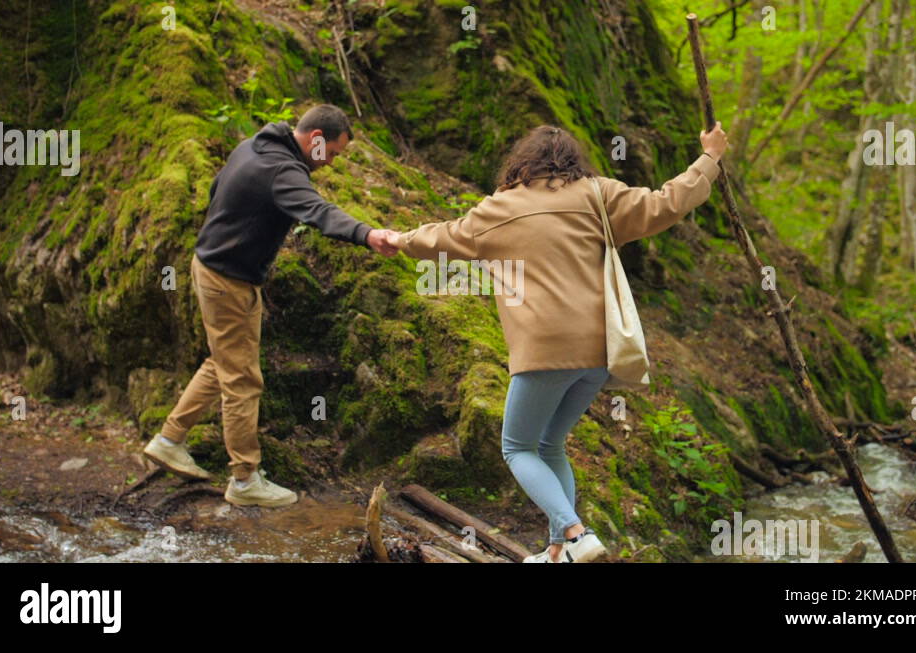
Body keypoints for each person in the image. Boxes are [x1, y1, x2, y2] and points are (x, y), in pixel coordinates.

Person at [387, 122, 728, 561]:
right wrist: (709, 158)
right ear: (572, 160)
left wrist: (398, 239)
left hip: (545, 351)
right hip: (599, 352)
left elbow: (443, 238)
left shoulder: (499, 208)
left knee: (516, 447)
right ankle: (557, 552)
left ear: (521, 163)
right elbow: (667, 203)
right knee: (549, 445)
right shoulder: (597, 194)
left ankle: (576, 532)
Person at [143, 104, 401, 507]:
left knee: (224, 362)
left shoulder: (252, 146)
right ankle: (245, 479)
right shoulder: (283, 171)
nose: (331, 163)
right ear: (315, 139)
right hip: (228, 279)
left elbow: (216, 190)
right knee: (243, 380)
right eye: (332, 153)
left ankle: (169, 438)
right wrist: (367, 235)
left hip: (214, 268)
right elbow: (318, 211)